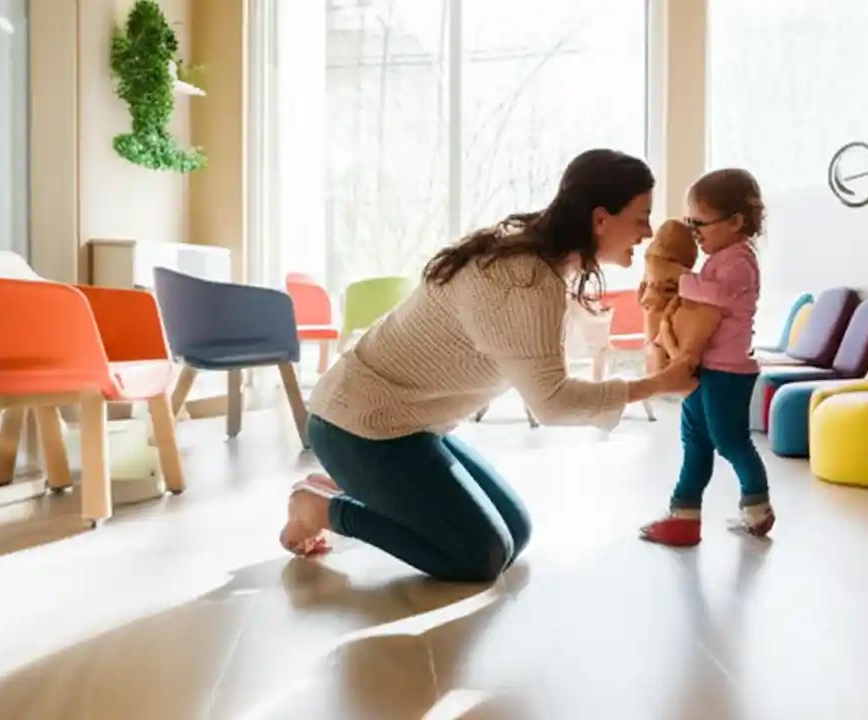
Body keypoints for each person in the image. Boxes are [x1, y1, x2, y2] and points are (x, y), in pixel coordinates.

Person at [279, 149, 699, 582]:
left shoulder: (544, 265)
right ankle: (323, 509)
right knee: (479, 556)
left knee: (516, 531)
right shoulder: (526, 280)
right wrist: (655, 384)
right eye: (641, 217)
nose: (648, 233)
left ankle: (347, 486)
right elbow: (552, 402)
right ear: (600, 219)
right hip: (357, 427)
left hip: (409, 426)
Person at [639, 168, 772, 547]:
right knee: (694, 439)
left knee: (730, 441)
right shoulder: (721, 257)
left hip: (728, 371)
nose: (694, 232)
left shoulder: (739, 260)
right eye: (689, 222)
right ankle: (684, 515)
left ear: (735, 222)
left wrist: (676, 277)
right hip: (705, 368)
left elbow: (720, 296)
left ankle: (758, 505)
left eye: (701, 224)